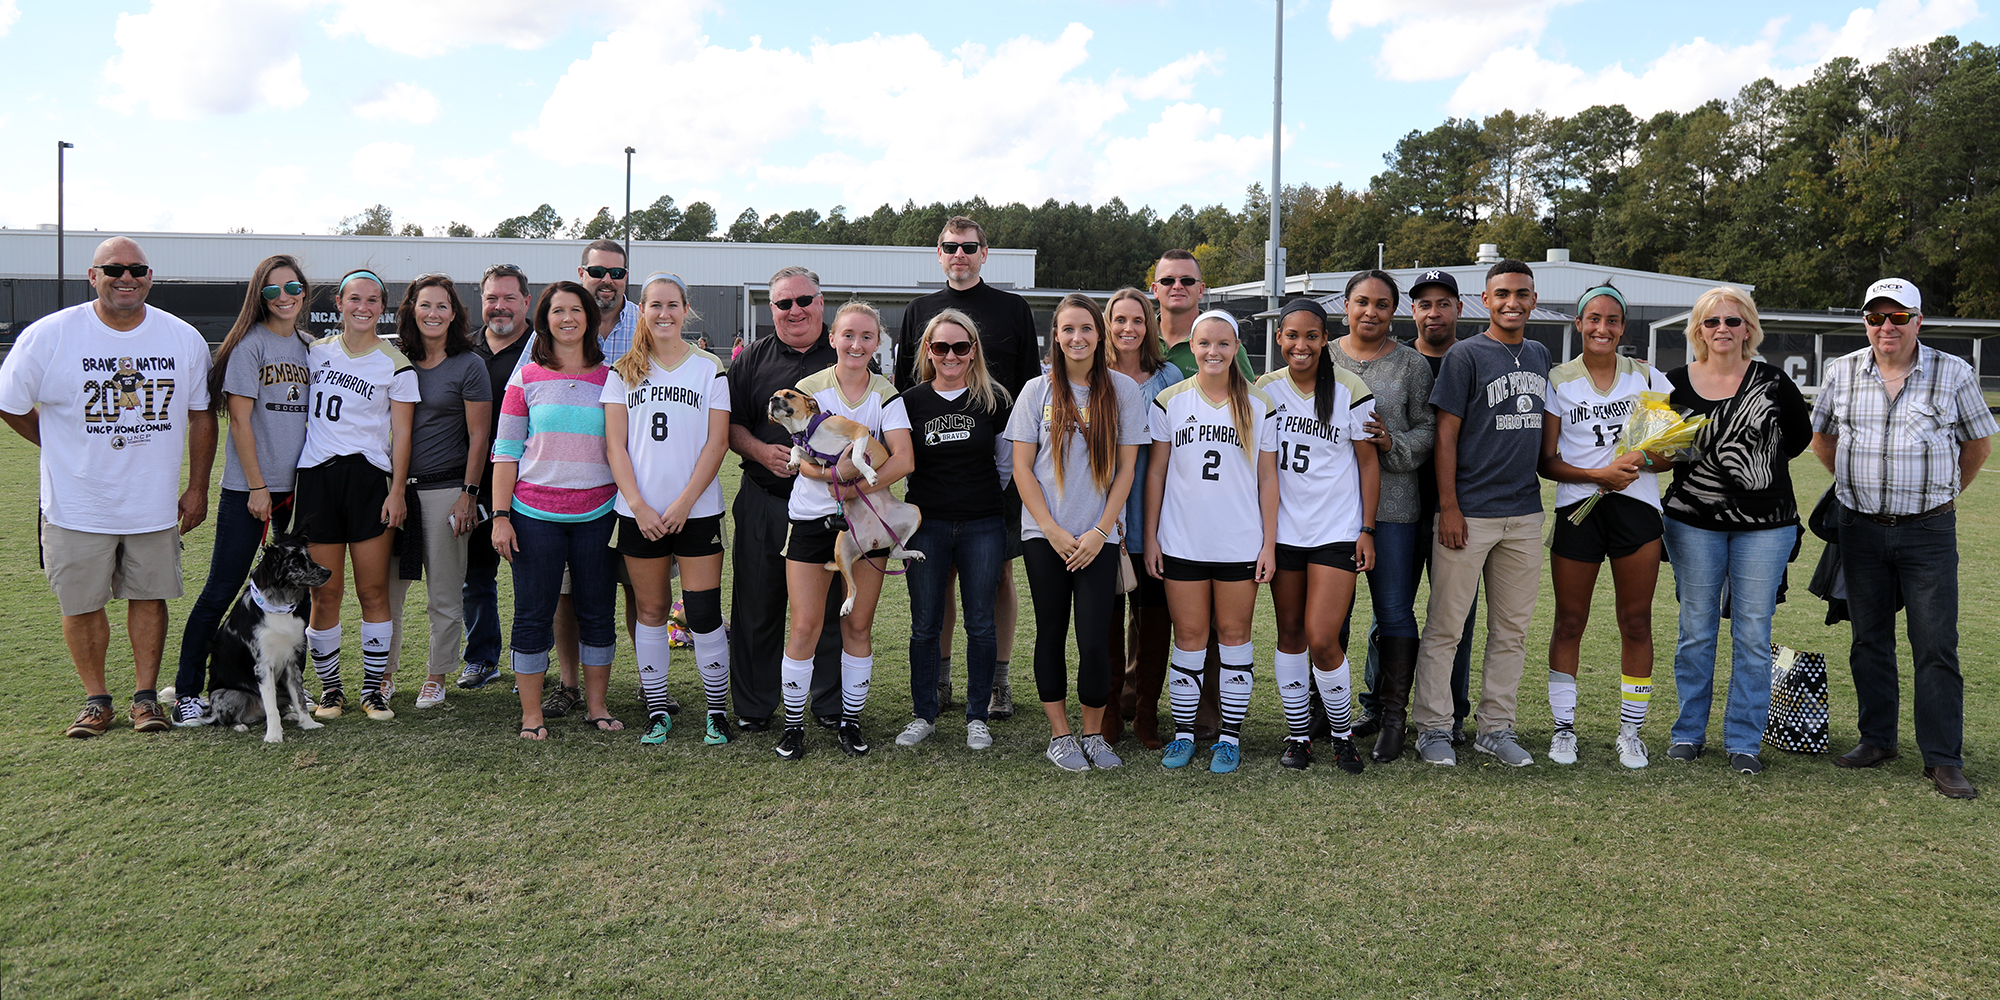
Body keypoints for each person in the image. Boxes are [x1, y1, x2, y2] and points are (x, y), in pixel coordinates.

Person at [0, 237, 215, 737]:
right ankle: (97, 700)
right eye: (113, 269)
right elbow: (9, 401)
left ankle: (146, 699)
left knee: (149, 596)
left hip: (152, 502)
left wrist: (197, 487)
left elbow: (203, 415)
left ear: (150, 277)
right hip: (76, 504)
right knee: (80, 604)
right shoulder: (51, 334)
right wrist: (52, 443)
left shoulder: (180, 337)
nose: (126, 278)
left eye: (136, 269)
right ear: (92, 276)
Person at [1812, 279, 1993, 799]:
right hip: (1859, 528)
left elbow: (1977, 444)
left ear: (1919, 321)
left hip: (1929, 531)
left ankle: (1942, 758)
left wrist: (1945, 491)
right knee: (1869, 639)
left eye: (1897, 317)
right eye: (1875, 318)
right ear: (1865, 322)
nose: (1885, 327)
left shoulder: (1953, 372)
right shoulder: (1840, 371)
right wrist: (1851, 484)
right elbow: (1822, 437)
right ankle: (1877, 739)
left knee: (1935, 643)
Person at [893, 216, 1041, 718]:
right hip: (935, 472)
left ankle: (998, 680)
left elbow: (1028, 392)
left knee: (997, 573)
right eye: (950, 246)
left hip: (999, 463)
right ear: (938, 253)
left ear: (984, 253)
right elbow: (903, 393)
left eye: (969, 246)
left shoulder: (1012, 309)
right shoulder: (919, 311)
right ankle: (940, 678)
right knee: (942, 572)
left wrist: (1017, 466)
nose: (959, 254)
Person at [1660, 286, 1811, 776]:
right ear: (1698, 330)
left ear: (1749, 328)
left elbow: (1798, 438)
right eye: (1711, 322)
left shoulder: (1773, 382)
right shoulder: (1674, 384)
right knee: (1696, 631)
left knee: (1751, 633)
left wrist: (1753, 480)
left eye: (1732, 320)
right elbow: (1660, 449)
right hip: (1691, 524)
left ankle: (1744, 740)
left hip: (1766, 526)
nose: (1722, 329)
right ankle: (1688, 733)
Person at [1413, 259, 1549, 768]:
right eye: (1502, 294)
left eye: (1522, 293)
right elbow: (1445, 435)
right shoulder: (1466, 355)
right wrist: (1449, 506)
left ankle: (1496, 727)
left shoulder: (1538, 352)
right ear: (1485, 300)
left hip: (1525, 513)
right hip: (1470, 513)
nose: (1512, 302)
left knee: (1511, 630)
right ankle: (1432, 727)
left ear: (1533, 299)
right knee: (1446, 626)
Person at [164, 254, 311, 725]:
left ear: (304, 292)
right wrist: (256, 486)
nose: (284, 297)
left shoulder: (309, 346)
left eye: (292, 288)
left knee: (286, 594)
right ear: (259, 297)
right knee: (223, 589)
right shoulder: (251, 346)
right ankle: (189, 689)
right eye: (273, 290)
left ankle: (284, 694)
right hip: (250, 492)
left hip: (294, 491)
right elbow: (242, 422)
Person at [1008, 294, 1146, 771]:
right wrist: (1049, 528)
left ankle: (1093, 734)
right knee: (1051, 632)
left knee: (1092, 637)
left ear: (1099, 334)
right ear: (1056, 337)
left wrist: (1099, 531)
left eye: (1086, 328)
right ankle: (1060, 735)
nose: (1077, 338)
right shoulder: (1036, 391)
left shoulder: (1123, 390)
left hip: (1097, 538)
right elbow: (1022, 469)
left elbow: (1126, 470)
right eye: (1067, 330)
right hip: (1044, 536)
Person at [772, 301, 913, 760]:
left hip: (866, 521)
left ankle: (850, 723)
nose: (857, 344)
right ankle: (793, 726)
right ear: (832, 337)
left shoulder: (887, 393)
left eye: (867, 336)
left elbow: (903, 460)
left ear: (877, 343)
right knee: (805, 626)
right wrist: (831, 480)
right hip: (812, 520)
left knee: (858, 624)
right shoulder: (808, 389)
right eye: (848, 334)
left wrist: (848, 489)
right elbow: (797, 457)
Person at [1538, 284, 1670, 768]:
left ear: (1623, 327)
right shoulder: (1558, 379)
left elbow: (1671, 452)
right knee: (1569, 621)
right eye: (1593, 318)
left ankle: (1631, 731)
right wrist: (1599, 474)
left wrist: (1640, 457)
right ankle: (1563, 728)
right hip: (1579, 509)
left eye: (1612, 320)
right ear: (1579, 324)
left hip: (1636, 511)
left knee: (1635, 621)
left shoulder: (1649, 377)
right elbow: (1547, 462)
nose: (1602, 328)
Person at [1144, 310, 1279, 775]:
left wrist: (1269, 545)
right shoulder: (1169, 400)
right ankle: (1183, 734)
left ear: (1237, 348)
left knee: (1235, 638)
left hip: (1240, 543)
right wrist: (1151, 537)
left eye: (1223, 344)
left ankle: (1229, 737)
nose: (1213, 352)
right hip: (1182, 540)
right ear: (1192, 347)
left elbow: (1267, 479)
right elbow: (1156, 473)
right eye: (1204, 344)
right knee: (1189, 639)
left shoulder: (1260, 405)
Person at [603, 273, 733, 746]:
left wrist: (682, 504)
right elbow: (615, 447)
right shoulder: (622, 371)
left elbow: (718, 442)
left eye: (672, 304)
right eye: (654, 305)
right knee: (652, 609)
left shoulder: (709, 367)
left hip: (696, 511)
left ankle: (716, 711)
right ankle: (658, 709)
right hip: (639, 512)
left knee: (702, 612)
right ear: (642, 310)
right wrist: (638, 504)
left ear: (686, 309)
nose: (663, 313)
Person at [490, 282, 618, 739]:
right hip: (532, 514)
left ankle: (597, 705)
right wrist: (501, 516)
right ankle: (531, 714)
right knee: (532, 614)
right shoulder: (524, 378)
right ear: (543, 319)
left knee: (598, 612)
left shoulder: (614, 378)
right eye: (557, 311)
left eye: (576, 309)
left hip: (598, 513)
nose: (567, 318)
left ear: (590, 316)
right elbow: (505, 451)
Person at [1256, 298, 1378, 773]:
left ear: (1325, 339)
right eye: (1291, 335)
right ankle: (1299, 735)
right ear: (1279, 338)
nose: (1300, 344)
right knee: (1290, 634)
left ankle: (1343, 735)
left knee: (1323, 637)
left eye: (1311, 335)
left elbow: (1369, 464)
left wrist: (1366, 530)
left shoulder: (1350, 387)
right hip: (1283, 532)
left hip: (1334, 531)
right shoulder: (1264, 389)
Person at [292, 269, 419, 723]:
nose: (363, 307)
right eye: (354, 299)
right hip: (318, 481)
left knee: (372, 591)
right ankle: (330, 691)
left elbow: (402, 435)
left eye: (372, 300)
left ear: (381, 308)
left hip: (369, 483)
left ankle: (373, 691)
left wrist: (397, 491)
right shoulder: (313, 352)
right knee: (324, 592)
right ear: (340, 303)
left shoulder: (395, 363)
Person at [727, 267, 849, 733]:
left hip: (828, 506)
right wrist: (760, 451)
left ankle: (828, 704)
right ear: (771, 308)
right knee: (757, 604)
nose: (794, 310)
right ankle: (755, 707)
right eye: (783, 303)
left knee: (828, 608)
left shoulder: (847, 356)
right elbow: (730, 424)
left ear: (822, 303)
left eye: (804, 300)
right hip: (765, 496)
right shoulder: (752, 359)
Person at [1327, 270, 1437, 763]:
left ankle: (1393, 718)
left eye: (1382, 304)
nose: (1371, 312)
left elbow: (1429, 428)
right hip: (1328, 510)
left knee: (1392, 610)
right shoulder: (1321, 353)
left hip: (1392, 508)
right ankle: (1326, 715)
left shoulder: (1412, 365)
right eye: (1362, 302)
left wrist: (1394, 444)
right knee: (1333, 616)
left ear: (1395, 311)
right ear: (1345, 305)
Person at [898, 309, 1012, 750]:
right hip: (926, 525)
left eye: (960, 347)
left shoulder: (995, 399)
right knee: (925, 623)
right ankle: (924, 713)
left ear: (973, 351)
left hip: (983, 523)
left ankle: (977, 716)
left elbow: (1004, 465)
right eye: (941, 347)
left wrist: (974, 499)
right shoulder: (909, 402)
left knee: (981, 624)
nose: (950, 355)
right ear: (928, 350)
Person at [384, 274, 491, 712]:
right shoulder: (391, 357)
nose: (433, 313)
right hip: (392, 491)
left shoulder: (469, 364)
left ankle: (436, 675)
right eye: (424, 305)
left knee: (444, 595)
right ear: (410, 309)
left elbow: (480, 436)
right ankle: (383, 674)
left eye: (442, 306)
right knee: (386, 593)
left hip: (445, 489)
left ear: (454, 313)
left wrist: (468, 493)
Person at [1391, 271, 1474, 747]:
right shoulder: (1400, 361)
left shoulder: (1475, 359)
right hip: (1400, 504)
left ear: (1459, 309)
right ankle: (1382, 706)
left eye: (1443, 303)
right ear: (1413, 311)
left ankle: (1453, 712)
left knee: (1455, 616)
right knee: (1392, 612)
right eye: (1424, 304)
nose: (1434, 312)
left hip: (1462, 511)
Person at [1103, 287, 1181, 748]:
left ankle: (1147, 713)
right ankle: (1111, 711)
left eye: (1138, 320)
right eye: (1119, 320)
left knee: (1154, 622)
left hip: (1156, 515)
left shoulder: (1168, 376)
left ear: (1149, 326)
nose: (1129, 328)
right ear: (1107, 325)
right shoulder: (1092, 376)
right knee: (1107, 621)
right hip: (1104, 516)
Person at [457, 264, 533, 691]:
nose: (499, 306)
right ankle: (482, 658)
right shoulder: (465, 352)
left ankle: (532, 657)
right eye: (491, 298)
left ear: (526, 301)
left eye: (508, 298)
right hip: (474, 481)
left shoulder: (546, 346)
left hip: (532, 483)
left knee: (533, 578)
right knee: (476, 576)